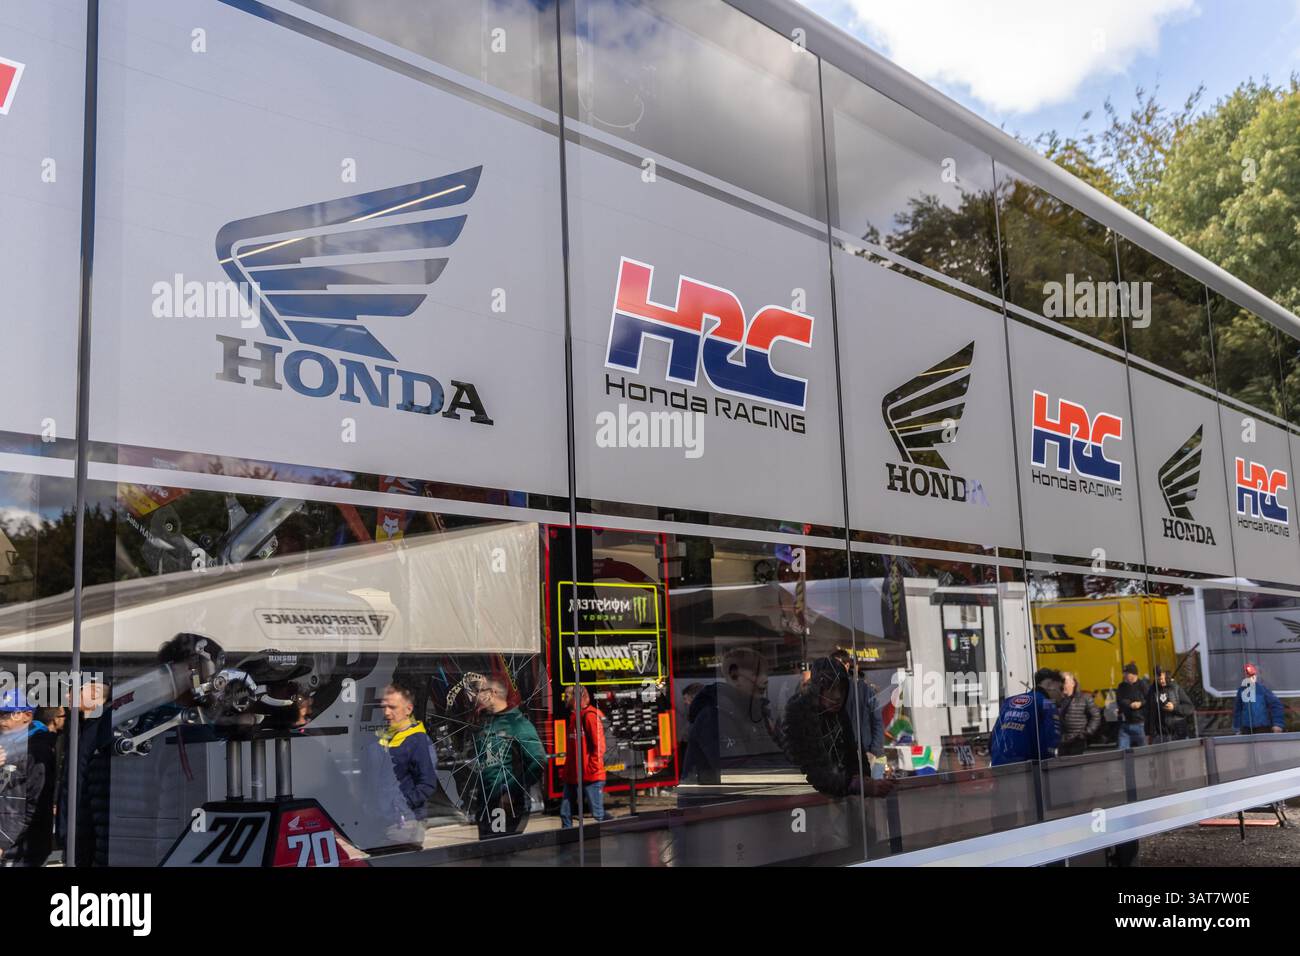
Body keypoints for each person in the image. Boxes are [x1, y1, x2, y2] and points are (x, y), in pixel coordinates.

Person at [781, 657, 891, 798]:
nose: (838, 696)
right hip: (810, 801)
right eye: (831, 689)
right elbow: (811, 769)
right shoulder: (799, 713)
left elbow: (853, 750)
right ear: (818, 688)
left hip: (837, 796)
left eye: (842, 689)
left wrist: (862, 777)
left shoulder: (839, 713)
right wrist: (854, 783)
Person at [683, 648, 780, 785]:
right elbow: (737, 770)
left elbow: (773, 753)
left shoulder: (754, 713)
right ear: (734, 677)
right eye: (756, 673)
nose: (765, 679)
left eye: (766, 673)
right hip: (712, 803)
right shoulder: (714, 716)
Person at [472, 677, 547, 839]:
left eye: (480, 691)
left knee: (499, 853)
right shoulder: (487, 722)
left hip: (506, 803)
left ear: (493, 693)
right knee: (487, 853)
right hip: (486, 803)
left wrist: (512, 791)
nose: (476, 696)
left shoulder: (518, 724)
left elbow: (537, 761)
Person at [374, 684, 438, 848]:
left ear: (408, 709)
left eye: (393, 707)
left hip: (404, 823)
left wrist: (400, 806)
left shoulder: (418, 741)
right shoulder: (386, 737)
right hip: (385, 820)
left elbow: (427, 783)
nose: (387, 712)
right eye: (384, 707)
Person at [0, 689, 55, 866]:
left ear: (27, 715)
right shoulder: (6, 745)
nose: (2, 720)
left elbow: (33, 805)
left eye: (7, 715)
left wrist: (3, 843)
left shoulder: (37, 751)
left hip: (22, 850)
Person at [559, 686, 610, 828]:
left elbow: (599, 746)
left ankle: (615, 832)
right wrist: (566, 771)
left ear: (576, 697)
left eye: (567, 695)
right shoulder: (574, 717)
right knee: (565, 813)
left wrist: (591, 768)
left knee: (598, 814)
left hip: (590, 776)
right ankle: (567, 844)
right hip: (574, 776)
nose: (564, 698)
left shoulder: (589, 716)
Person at [990, 669, 1062, 766]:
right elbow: (1050, 740)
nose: (1062, 694)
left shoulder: (1009, 701)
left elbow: (993, 735)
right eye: (1060, 688)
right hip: (1026, 767)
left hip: (998, 762)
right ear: (1050, 684)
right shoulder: (1048, 704)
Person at [1056, 671, 1101, 756]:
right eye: (1061, 683)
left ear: (1073, 683)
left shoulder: (1084, 698)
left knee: (1076, 767)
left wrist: (1086, 733)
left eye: (1065, 682)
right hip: (1062, 741)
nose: (1062, 685)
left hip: (1078, 740)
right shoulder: (1057, 700)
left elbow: (1096, 716)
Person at [1146, 667, 1196, 742]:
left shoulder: (1175, 688)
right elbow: (1148, 712)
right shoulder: (1152, 691)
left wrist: (1174, 708)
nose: (1162, 681)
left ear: (1167, 676)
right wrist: (1149, 732)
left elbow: (1190, 708)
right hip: (1160, 735)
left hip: (1178, 733)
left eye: (1163, 678)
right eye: (1159, 679)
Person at [1233, 663, 1284, 734]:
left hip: (1263, 727)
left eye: (1251, 674)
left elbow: (1276, 705)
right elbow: (1238, 710)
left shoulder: (1262, 689)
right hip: (1246, 729)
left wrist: (1278, 724)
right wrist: (1237, 728)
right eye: (1246, 674)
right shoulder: (1241, 690)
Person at [1115, 663, 1147, 750]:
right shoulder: (1121, 686)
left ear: (1133, 674)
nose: (1124, 675)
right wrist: (1129, 704)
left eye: (1126, 673)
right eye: (1124, 673)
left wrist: (1140, 704)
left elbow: (1149, 700)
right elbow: (1120, 700)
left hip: (1140, 725)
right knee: (1122, 752)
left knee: (1144, 751)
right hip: (1125, 725)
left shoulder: (1142, 685)